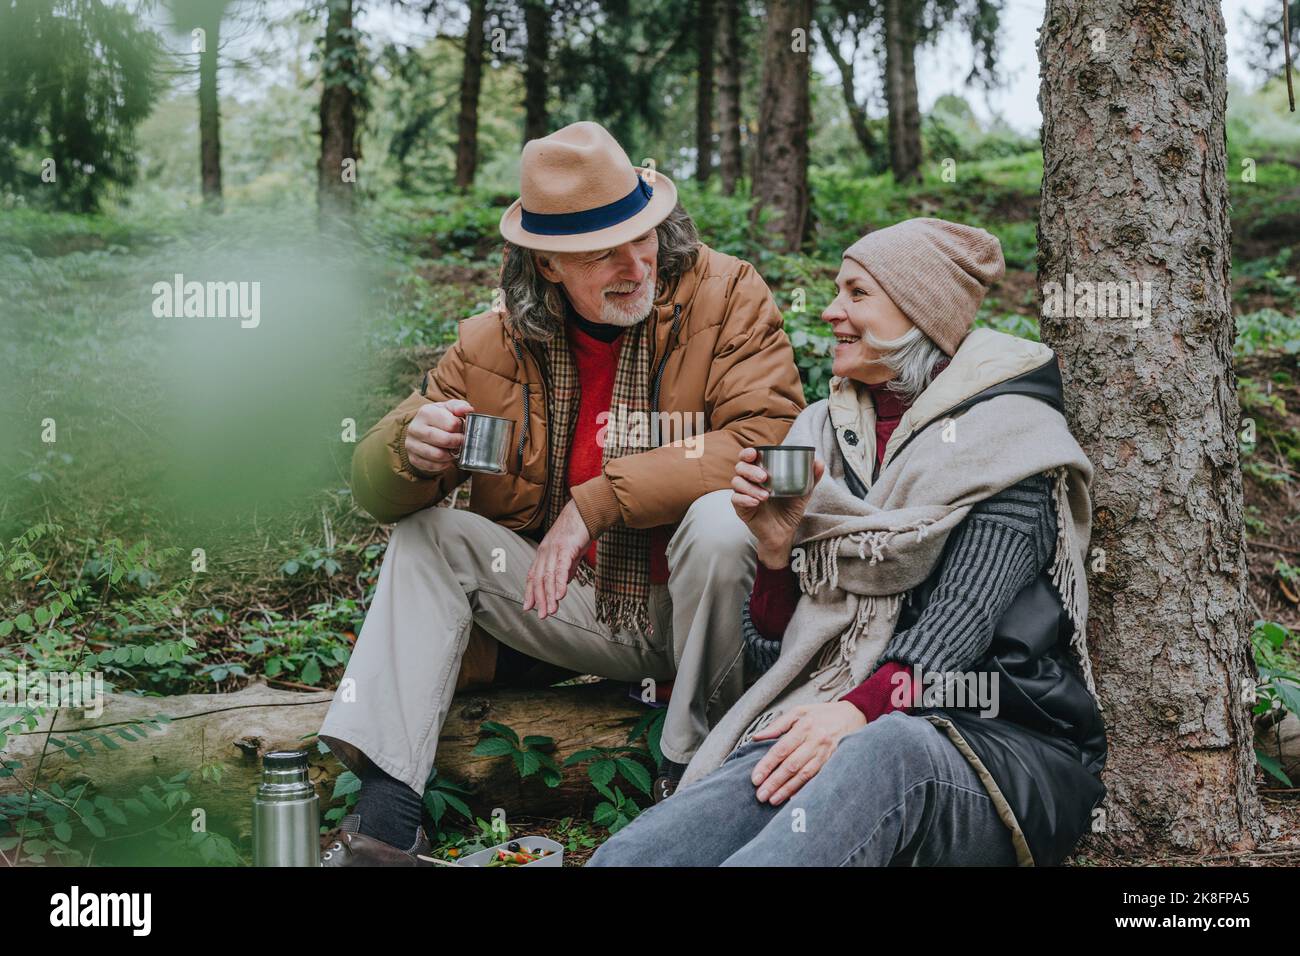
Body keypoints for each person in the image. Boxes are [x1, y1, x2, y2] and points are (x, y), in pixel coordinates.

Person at [316, 121, 806, 865]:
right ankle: (387, 812)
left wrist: (600, 500)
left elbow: (766, 443)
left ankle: (687, 772)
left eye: (642, 235)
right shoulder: (495, 342)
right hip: (570, 605)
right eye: (601, 253)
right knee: (426, 535)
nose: (635, 264)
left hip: (704, 611)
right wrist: (408, 451)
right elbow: (375, 488)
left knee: (720, 519)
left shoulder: (727, 294)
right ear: (546, 264)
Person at [588, 217, 1108, 867]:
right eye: (837, 292)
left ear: (921, 310)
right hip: (842, 722)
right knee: (640, 852)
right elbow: (779, 652)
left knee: (887, 746)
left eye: (857, 294)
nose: (832, 311)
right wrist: (777, 555)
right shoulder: (825, 434)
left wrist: (851, 714)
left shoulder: (1009, 439)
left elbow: (957, 627)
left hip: (1002, 749)